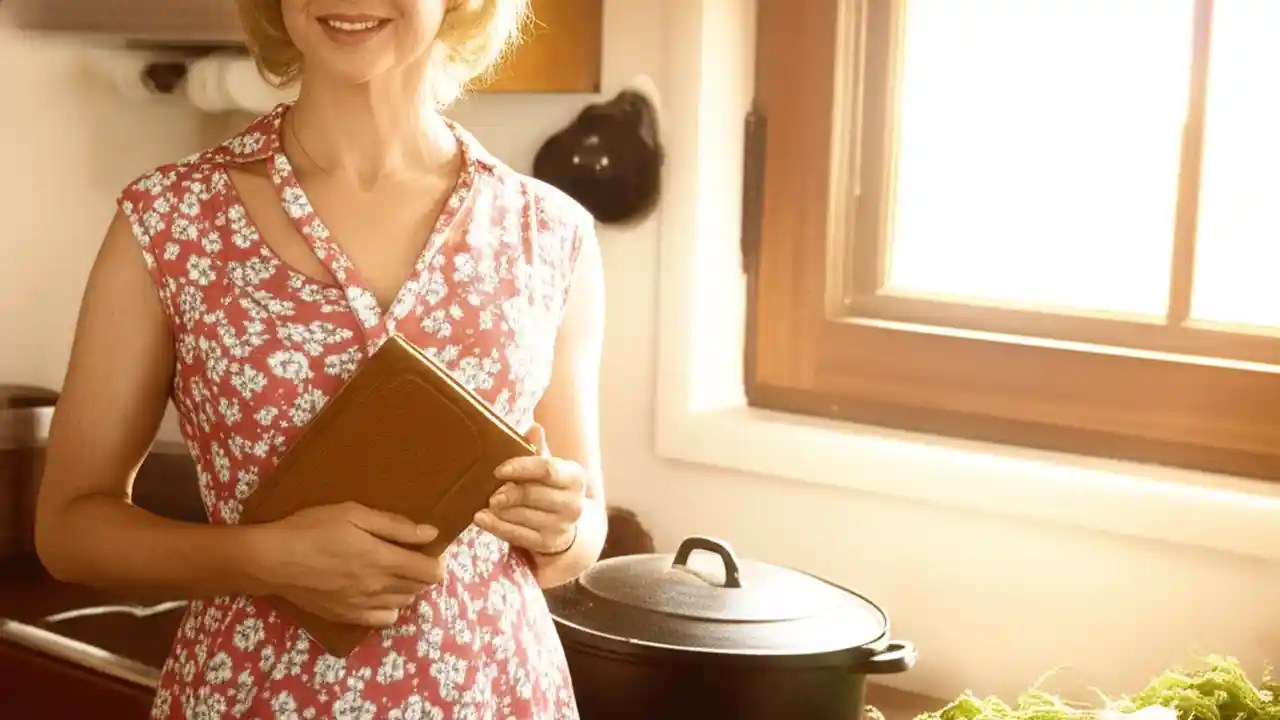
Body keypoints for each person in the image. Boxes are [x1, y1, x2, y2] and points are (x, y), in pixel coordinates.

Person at [32, 0, 607, 717]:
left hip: (496, 692)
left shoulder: (549, 233)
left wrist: (562, 524)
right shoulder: (170, 221)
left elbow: (585, 529)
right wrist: (262, 557)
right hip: (259, 698)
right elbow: (69, 532)